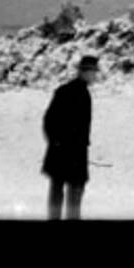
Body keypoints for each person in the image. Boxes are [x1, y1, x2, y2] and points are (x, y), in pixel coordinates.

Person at [42, 55, 98, 220]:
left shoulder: (68, 90)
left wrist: (55, 143)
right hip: (71, 152)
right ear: (84, 72)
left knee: (58, 190)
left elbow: (48, 121)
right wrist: (59, 142)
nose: (95, 76)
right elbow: (50, 121)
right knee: (73, 191)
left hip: (64, 151)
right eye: (93, 72)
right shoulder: (73, 92)